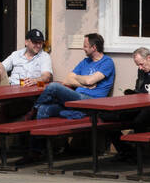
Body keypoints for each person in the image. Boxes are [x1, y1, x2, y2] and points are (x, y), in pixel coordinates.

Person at [20, 33, 114, 162]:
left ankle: (33, 110)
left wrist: (83, 80)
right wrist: (85, 82)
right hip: (76, 99)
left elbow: (89, 80)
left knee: (53, 86)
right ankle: (36, 151)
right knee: (44, 109)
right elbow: (67, 80)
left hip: (91, 102)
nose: (83, 48)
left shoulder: (107, 62)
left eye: (85, 46)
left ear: (94, 47)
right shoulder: (85, 62)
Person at [104, 47, 150, 161]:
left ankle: (137, 157)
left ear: (149, 58)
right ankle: (126, 150)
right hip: (139, 107)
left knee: (139, 121)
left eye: (141, 64)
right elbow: (139, 89)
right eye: (138, 65)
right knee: (106, 118)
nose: (140, 68)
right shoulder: (141, 71)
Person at [0, 29, 53, 125]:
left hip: (27, 93)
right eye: (35, 42)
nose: (38, 45)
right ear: (26, 42)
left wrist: (35, 80)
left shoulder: (44, 56)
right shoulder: (16, 54)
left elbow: (47, 77)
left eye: (40, 43)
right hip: (10, 89)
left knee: (0, 106)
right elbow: (0, 67)